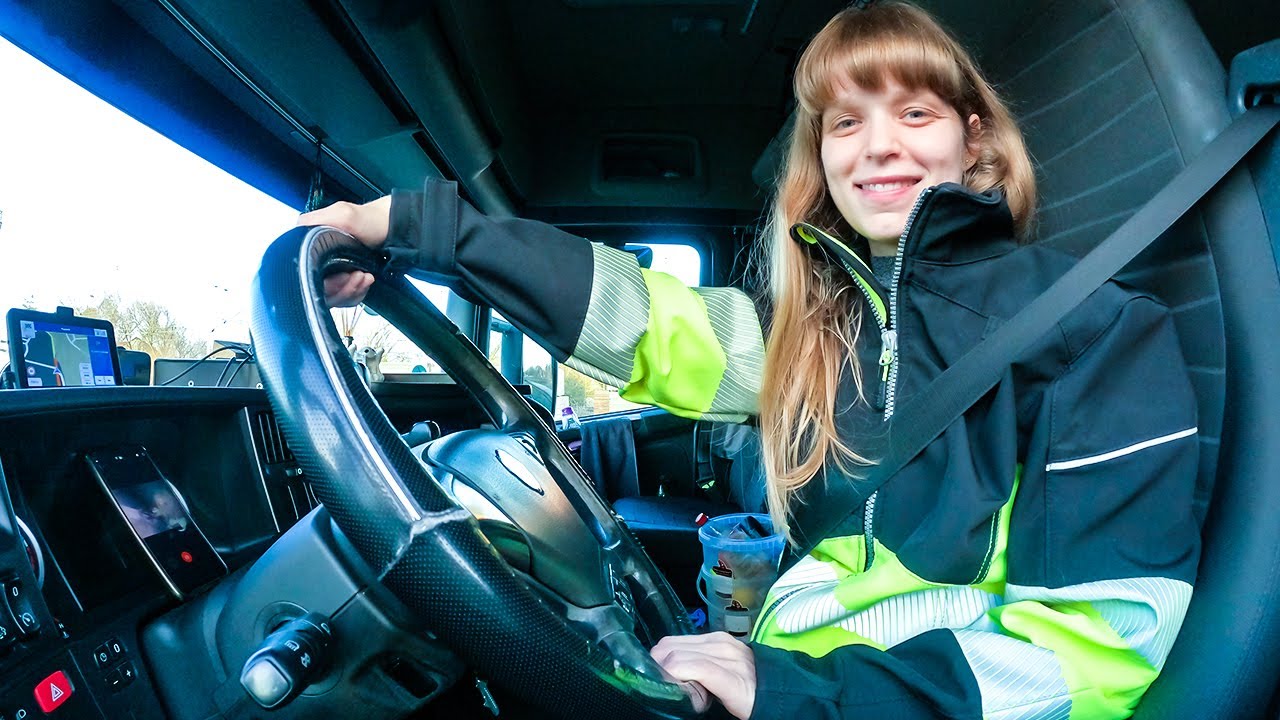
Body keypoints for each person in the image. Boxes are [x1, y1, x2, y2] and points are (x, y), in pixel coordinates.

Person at [299, 3, 1200, 719]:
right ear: (824, 158)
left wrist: (803, 696)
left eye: (915, 113)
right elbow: (645, 317)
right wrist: (418, 231)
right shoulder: (817, 331)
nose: (880, 145)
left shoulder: (1098, 333)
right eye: (846, 122)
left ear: (975, 139)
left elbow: (1093, 650)